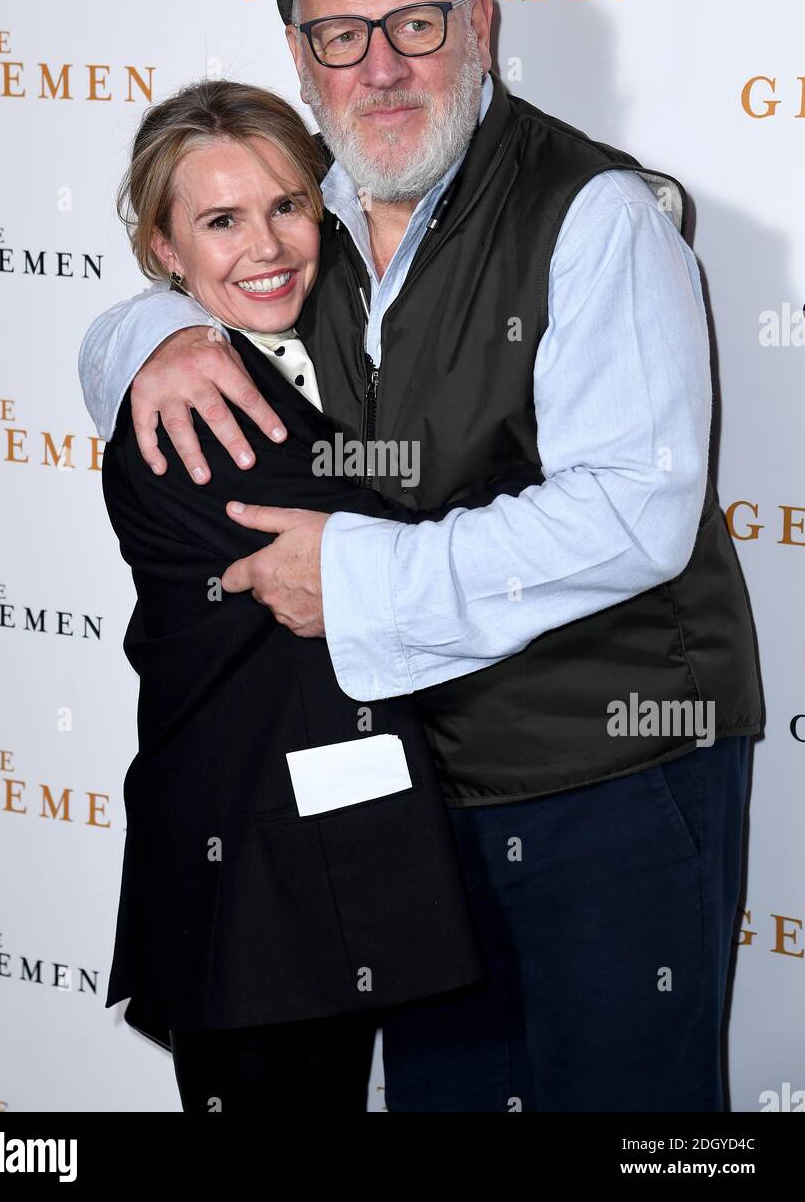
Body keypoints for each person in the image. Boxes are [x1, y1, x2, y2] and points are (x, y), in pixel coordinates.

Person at [81, 0, 763, 1112]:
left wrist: (352, 576)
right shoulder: (316, 213)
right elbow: (209, 255)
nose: (382, 67)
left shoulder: (596, 214)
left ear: (484, 22)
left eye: (418, 24)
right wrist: (147, 332)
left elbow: (632, 511)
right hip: (419, 802)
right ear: (301, 56)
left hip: (609, 775)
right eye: (342, 36)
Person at [98, 75, 541, 1113]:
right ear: (166, 251)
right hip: (242, 878)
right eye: (219, 220)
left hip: (332, 864)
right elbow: (416, 514)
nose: (267, 246)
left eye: (286, 206)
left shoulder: (323, 358)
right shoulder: (195, 416)